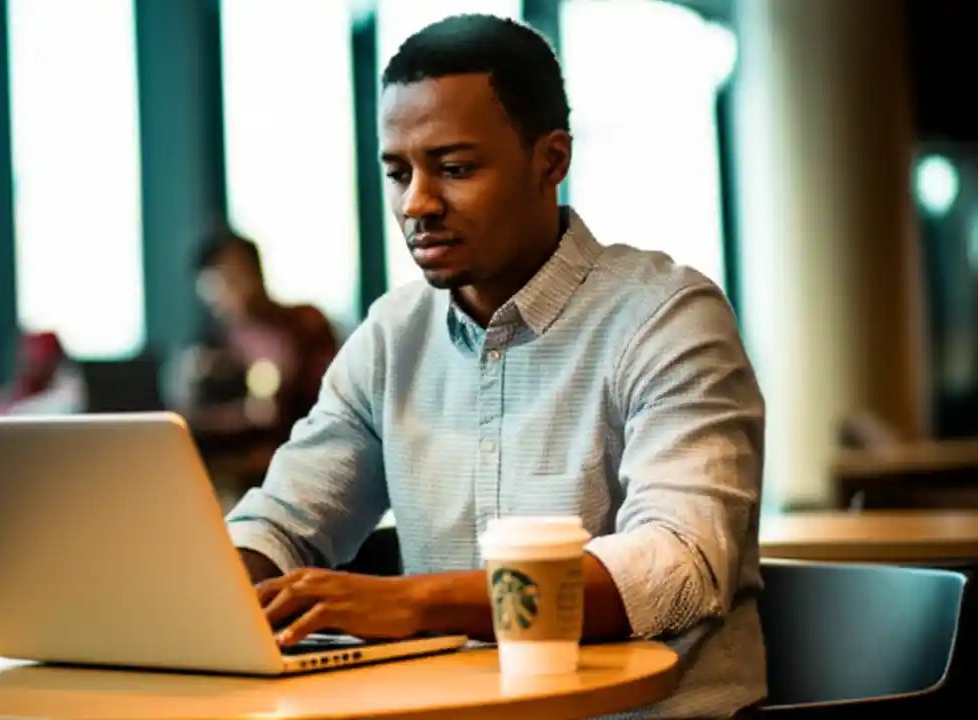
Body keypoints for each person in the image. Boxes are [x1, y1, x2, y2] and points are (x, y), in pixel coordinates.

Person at [226, 15, 764, 718]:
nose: (416, 203)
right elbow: (284, 522)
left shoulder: (666, 318)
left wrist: (413, 603)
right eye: (398, 172)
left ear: (552, 160)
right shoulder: (393, 335)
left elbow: (675, 568)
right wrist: (215, 590)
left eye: (454, 168)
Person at [174, 232, 339, 447]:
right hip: (230, 458)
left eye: (235, 276)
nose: (227, 289)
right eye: (215, 281)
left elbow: (327, 402)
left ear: (256, 273)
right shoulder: (208, 347)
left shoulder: (305, 326)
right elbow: (183, 415)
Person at [0, 331, 87, 416]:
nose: (31, 363)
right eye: (27, 357)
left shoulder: (69, 390)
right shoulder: (12, 392)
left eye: (39, 357)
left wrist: (11, 411)